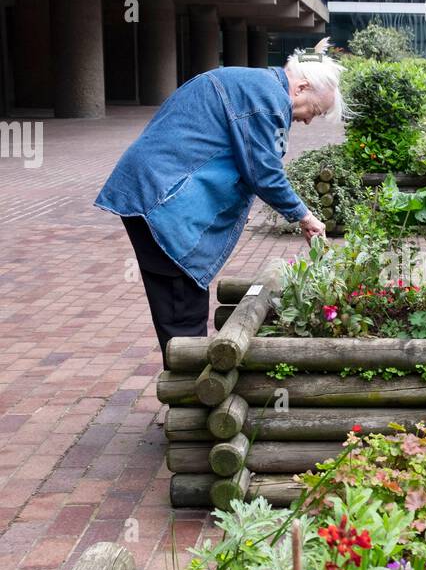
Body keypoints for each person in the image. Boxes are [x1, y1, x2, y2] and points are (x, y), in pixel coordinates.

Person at [95, 41, 343, 362]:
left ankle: (187, 387)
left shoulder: (254, 84)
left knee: (180, 301)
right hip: (164, 200)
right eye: (316, 110)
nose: (309, 120)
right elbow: (263, 172)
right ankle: (191, 396)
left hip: (155, 192)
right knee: (181, 305)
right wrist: (304, 216)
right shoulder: (267, 97)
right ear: (301, 88)